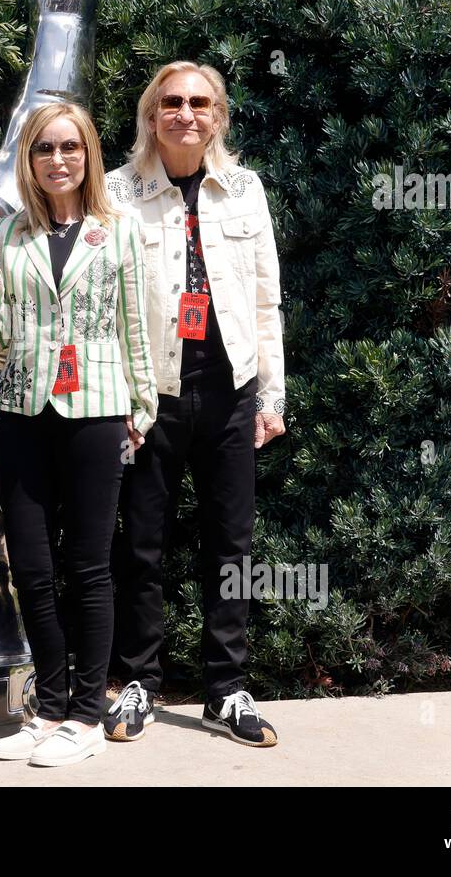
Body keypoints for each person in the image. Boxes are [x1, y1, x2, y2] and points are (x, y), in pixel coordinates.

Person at [104, 61, 286, 747]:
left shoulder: (245, 190)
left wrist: (271, 395)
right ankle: (137, 684)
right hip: (149, 396)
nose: (186, 114)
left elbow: (266, 299)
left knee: (230, 545)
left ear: (219, 116)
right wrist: (115, 395)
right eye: (172, 102)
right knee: (141, 545)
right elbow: (101, 303)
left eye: (199, 103)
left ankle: (227, 688)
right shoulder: (118, 192)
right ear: (152, 115)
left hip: (231, 389)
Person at [0, 102, 157, 767]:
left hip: (97, 408)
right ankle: (47, 707)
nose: (58, 159)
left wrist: (142, 406)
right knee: (32, 566)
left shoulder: (119, 229)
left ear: (88, 155)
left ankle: (85, 713)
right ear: (30, 159)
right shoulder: (11, 232)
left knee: (89, 566)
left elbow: (138, 323)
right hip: (24, 409)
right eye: (45, 148)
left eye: (70, 148)